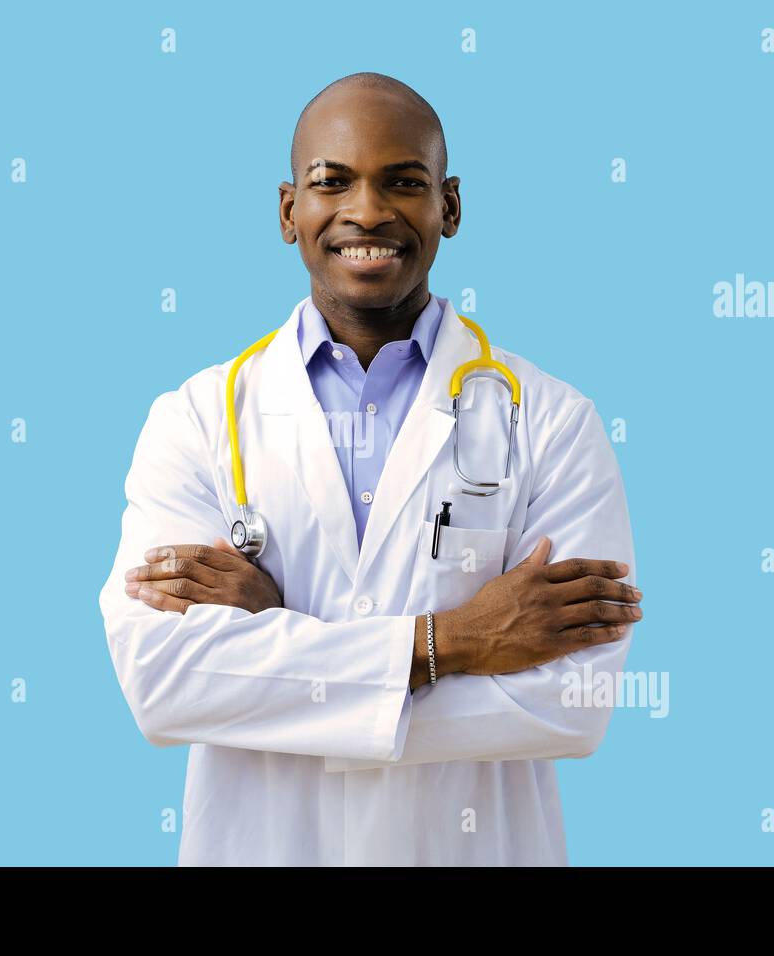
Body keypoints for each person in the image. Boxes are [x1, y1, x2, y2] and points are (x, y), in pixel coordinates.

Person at [98, 72, 642, 865]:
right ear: (289, 211)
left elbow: (571, 703)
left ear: (449, 207)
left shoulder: (554, 421)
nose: (368, 212)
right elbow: (165, 682)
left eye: (404, 182)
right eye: (333, 182)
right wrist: (451, 641)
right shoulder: (195, 418)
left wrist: (278, 659)